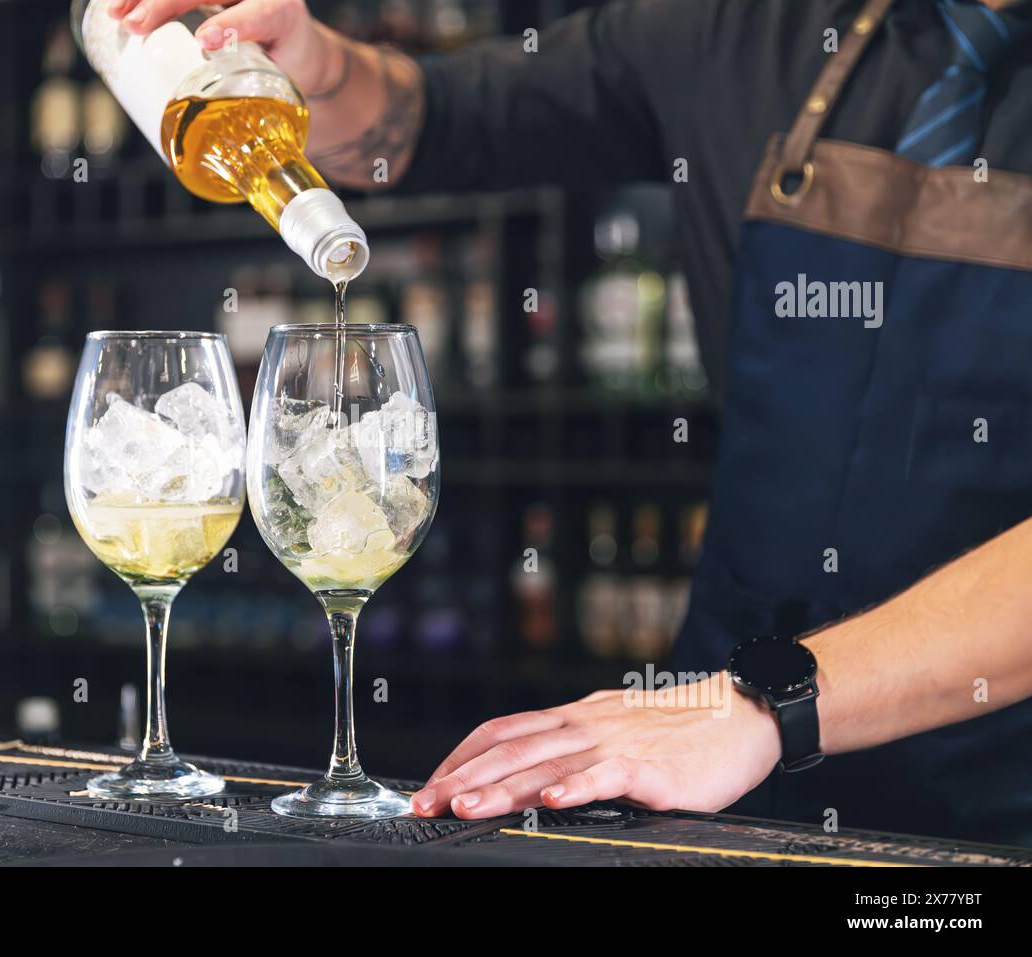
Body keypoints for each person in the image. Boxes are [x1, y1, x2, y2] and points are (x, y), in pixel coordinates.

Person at [108, 0, 1032, 845]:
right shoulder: (745, 25)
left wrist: (768, 704)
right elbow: (443, 118)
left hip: (986, 792)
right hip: (697, 768)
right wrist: (316, 64)